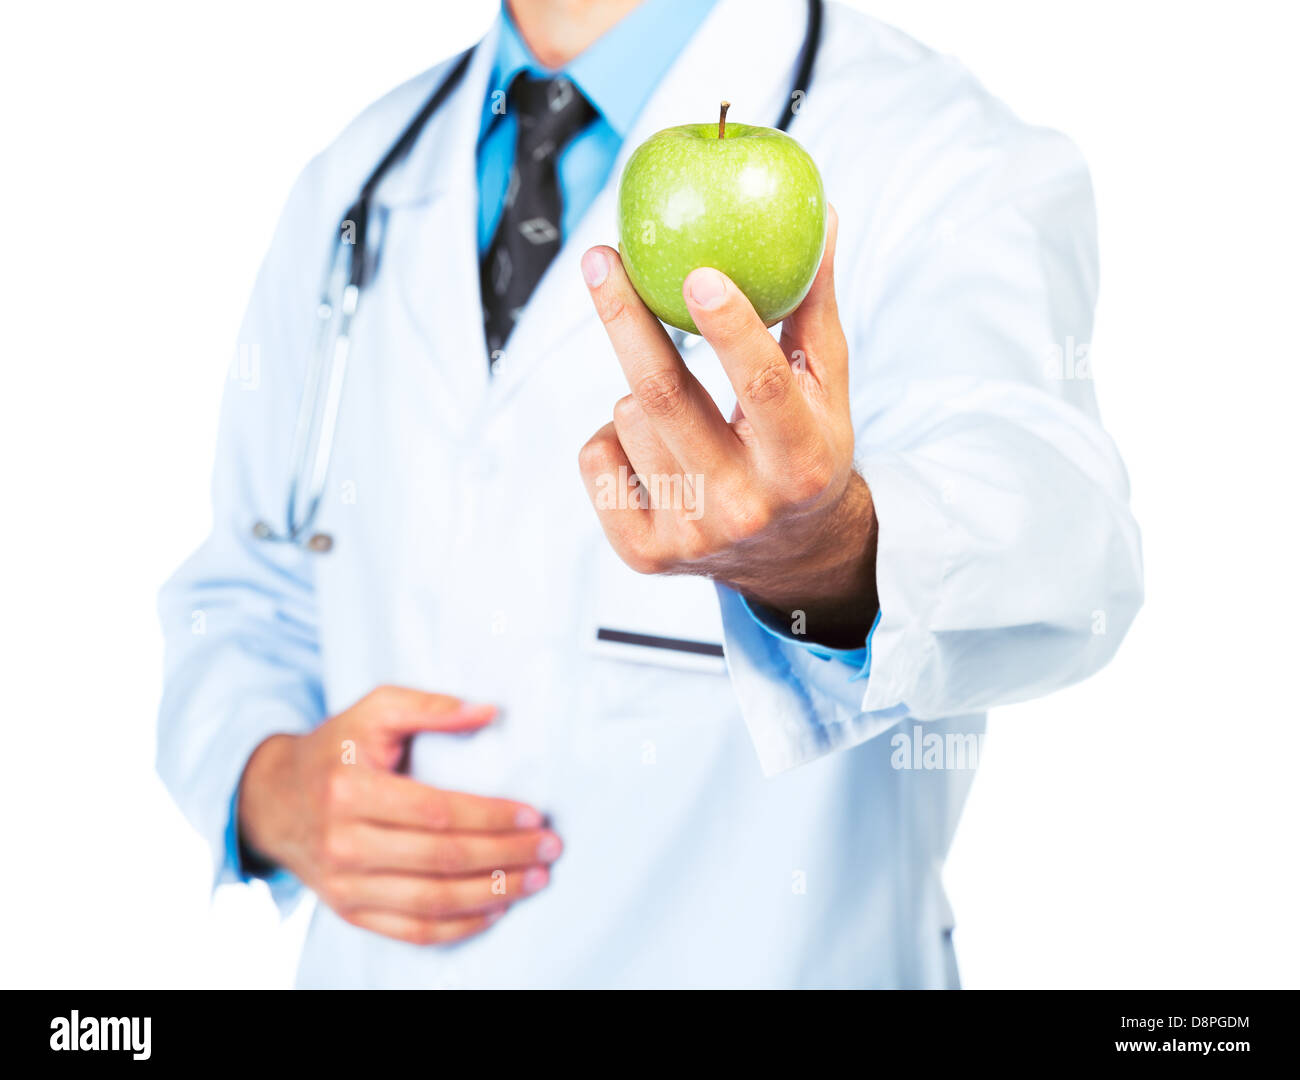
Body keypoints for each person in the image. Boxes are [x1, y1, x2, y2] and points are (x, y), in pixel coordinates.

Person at [158, 0, 1143, 989]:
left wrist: (822, 556)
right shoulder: (362, 171)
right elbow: (247, 581)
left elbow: (1057, 536)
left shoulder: (944, 151)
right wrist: (264, 783)